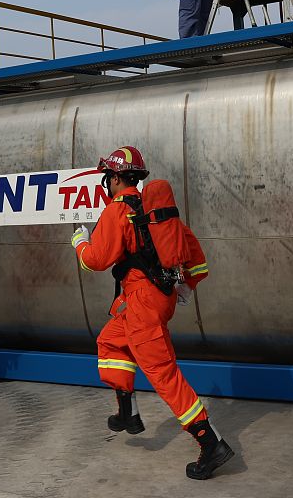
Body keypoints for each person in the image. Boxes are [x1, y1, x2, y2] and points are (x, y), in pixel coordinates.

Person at [71, 146, 233, 480]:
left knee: (163, 374)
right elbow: (197, 259)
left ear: (115, 178)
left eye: (108, 178)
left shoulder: (118, 211)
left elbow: (95, 260)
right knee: (111, 341)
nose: (106, 183)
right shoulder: (157, 212)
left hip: (142, 302)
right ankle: (126, 412)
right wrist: (185, 287)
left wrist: (79, 243)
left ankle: (211, 442)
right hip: (154, 298)